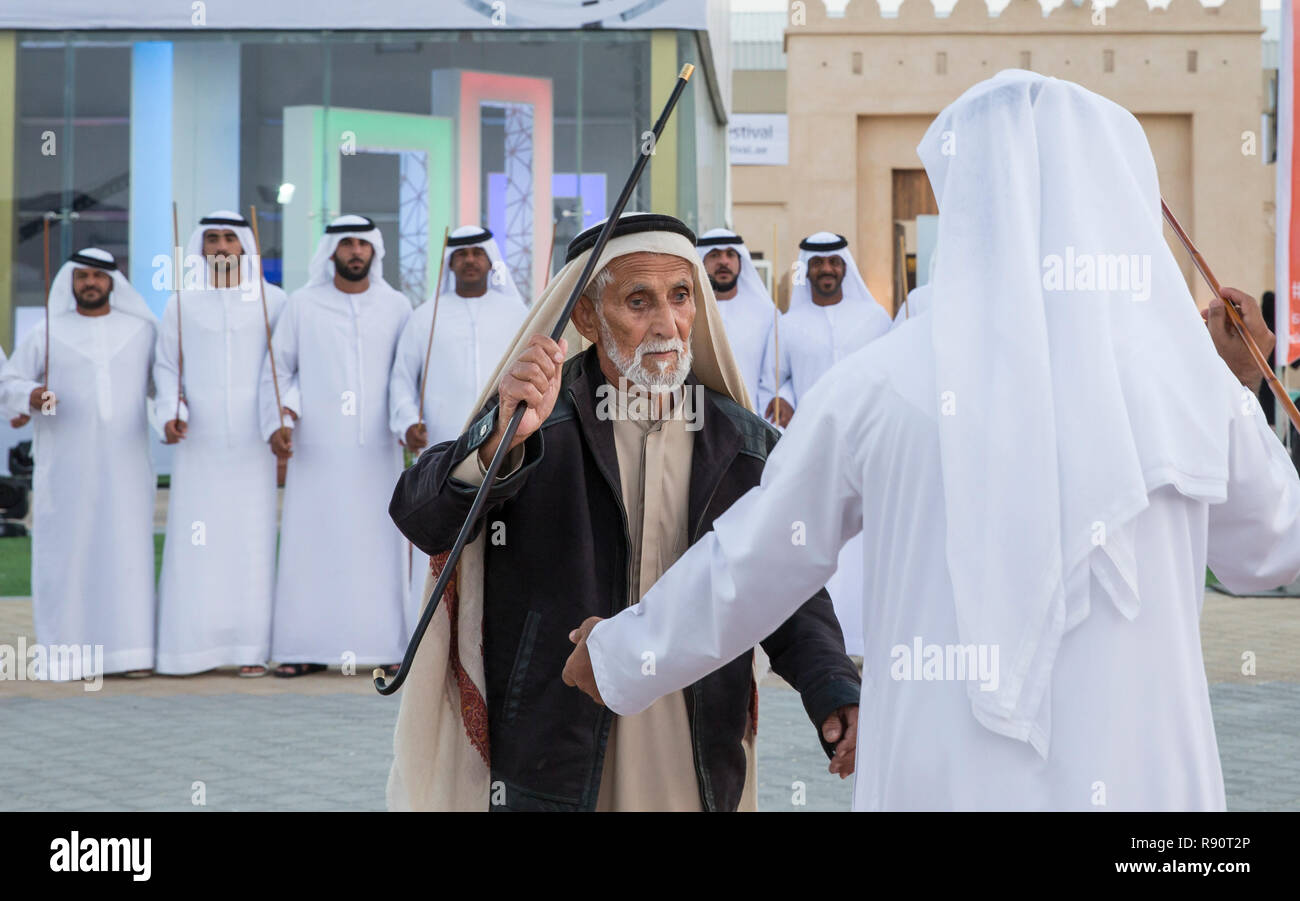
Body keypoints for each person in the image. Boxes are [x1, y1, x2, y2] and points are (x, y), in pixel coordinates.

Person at [563, 71, 1300, 811]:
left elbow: (753, 562)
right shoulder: (1190, 388)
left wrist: (624, 653)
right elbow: (1270, 547)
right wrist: (1237, 385)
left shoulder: (882, 382)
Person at [387, 212, 861, 811]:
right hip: (559, 744)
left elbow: (784, 582)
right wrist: (494, 443)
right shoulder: (538, 427)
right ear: (586, 315)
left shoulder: (742, 444)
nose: (666, 324)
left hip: (693, 744)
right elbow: (421, 516)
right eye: (638, 301)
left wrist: (833, 687)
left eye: (680, 296)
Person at [260, 215, 411, 677]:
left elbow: (406, 377)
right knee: (312, 543)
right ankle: (302, 647)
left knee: (379, 543)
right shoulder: (303, 305)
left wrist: (410, 423)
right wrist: (281, 417)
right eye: (346, 244)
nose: (354, 252)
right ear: (331, 252)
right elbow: (279, 369)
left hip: (378, 453)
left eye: (362, 244)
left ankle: (387, 644)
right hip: (317, 450)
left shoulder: (397, 306)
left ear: (374, 252)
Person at [1, 249, 158, 680]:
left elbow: (162, 387)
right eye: (82, 276)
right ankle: (66, 657)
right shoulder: (49, 332)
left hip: (126, 469)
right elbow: (13, 382)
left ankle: (130, 654)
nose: (90, 283)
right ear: (71, 282)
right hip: (64, 468)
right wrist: (37, 398)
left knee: (125, 553)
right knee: (65, 557)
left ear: (113, 282)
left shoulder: (141, 330)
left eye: (98, 276)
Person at [153, 211, 289, 677]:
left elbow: (286, 369)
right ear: (200, 247)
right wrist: (171, 413)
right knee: (196, 544)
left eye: (230, 237)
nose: (221, 245)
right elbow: (167, 368)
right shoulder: (181, 303)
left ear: (245, 246)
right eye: (212, 238)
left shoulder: (275, 301)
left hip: (255, 445)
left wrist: (283, 418)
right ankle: (186, 651)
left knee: (249, 543)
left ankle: (248, 649)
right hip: (199, 444)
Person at [388, 225, 528, 625]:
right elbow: (402, 380)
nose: (469, 260)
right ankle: (427, 635)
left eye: (476, 253)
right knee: (441, 537)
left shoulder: (517, 315)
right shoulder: (424, 318)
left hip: (505, 449)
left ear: (489, 261)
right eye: (461, 254)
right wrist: (407, 421)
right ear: (450, 262)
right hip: (443, 453)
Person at [757, 231, 890, 428]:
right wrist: (783, 398)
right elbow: (770, 384)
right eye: (817, 263)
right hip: (811, 434)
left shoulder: (875, 318)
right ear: (807, 270)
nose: (826, 269)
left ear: (845, 267)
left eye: (834, 262)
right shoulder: (786, 325)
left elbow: (890, 371)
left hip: (868, 429)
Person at [695, 228, 777, 416]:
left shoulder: (767, 316)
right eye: (715, 255)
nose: (724, 261)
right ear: (701, 261)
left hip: (752, 419)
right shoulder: (686, 312)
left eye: (731, 254)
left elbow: (776, 378)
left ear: (740, 262)